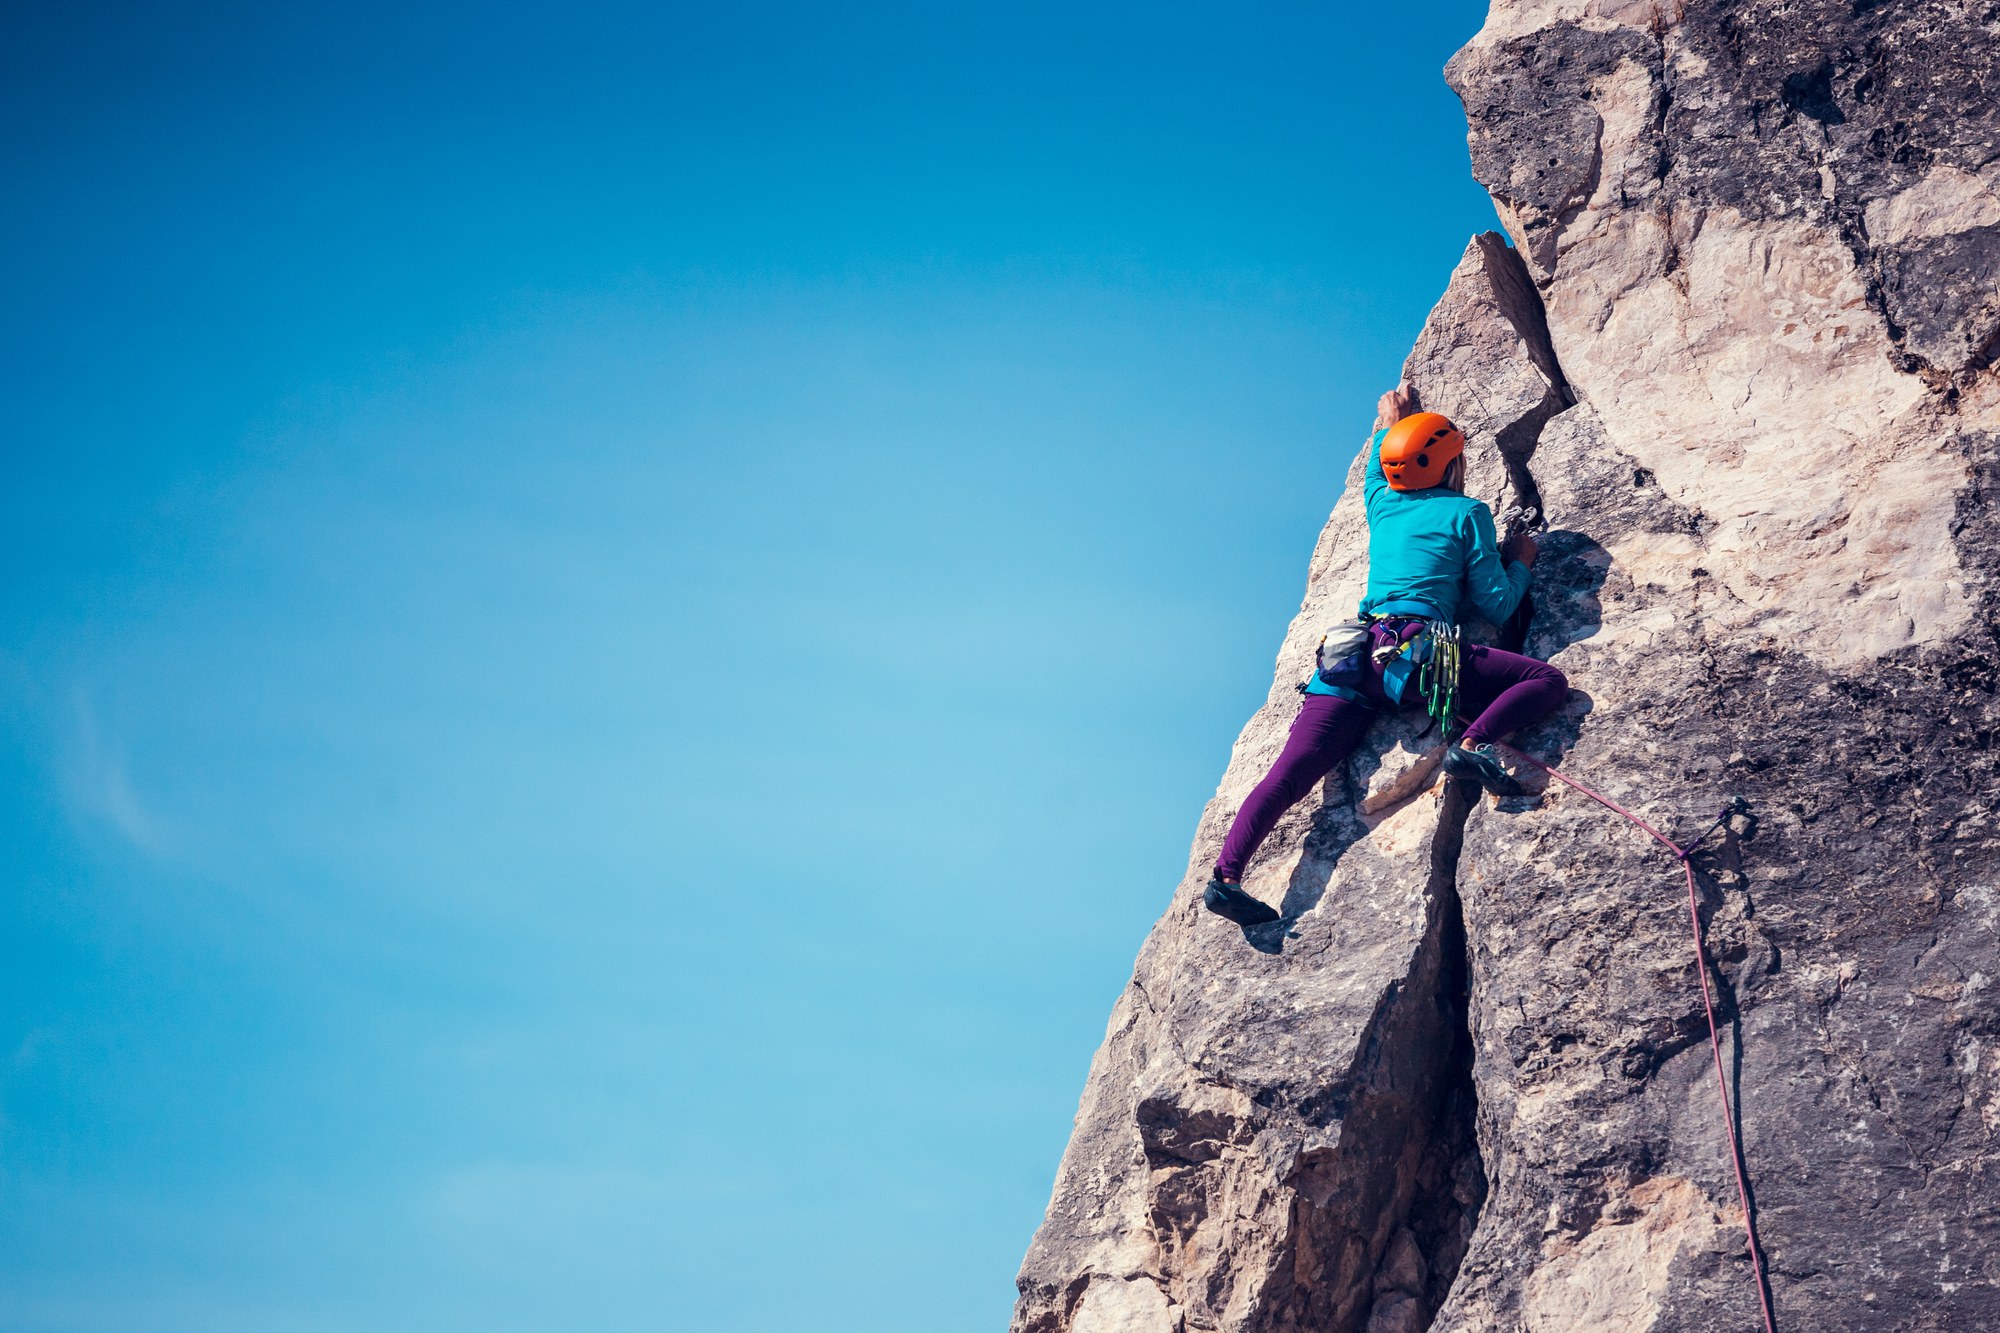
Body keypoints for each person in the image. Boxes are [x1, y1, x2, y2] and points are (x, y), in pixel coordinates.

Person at [1202, 386, 1571, 927]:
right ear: (1452, 465)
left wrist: (1390, 425)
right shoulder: (1467, 513)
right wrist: (1520, 559)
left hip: (1352, 656)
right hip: (1420, 657)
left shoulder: (1382, 501)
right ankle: (1474, 745)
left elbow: (1381, 466)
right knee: (1546, 681)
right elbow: (1496, 601)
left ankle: (1226, 879)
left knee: (1289, 773)